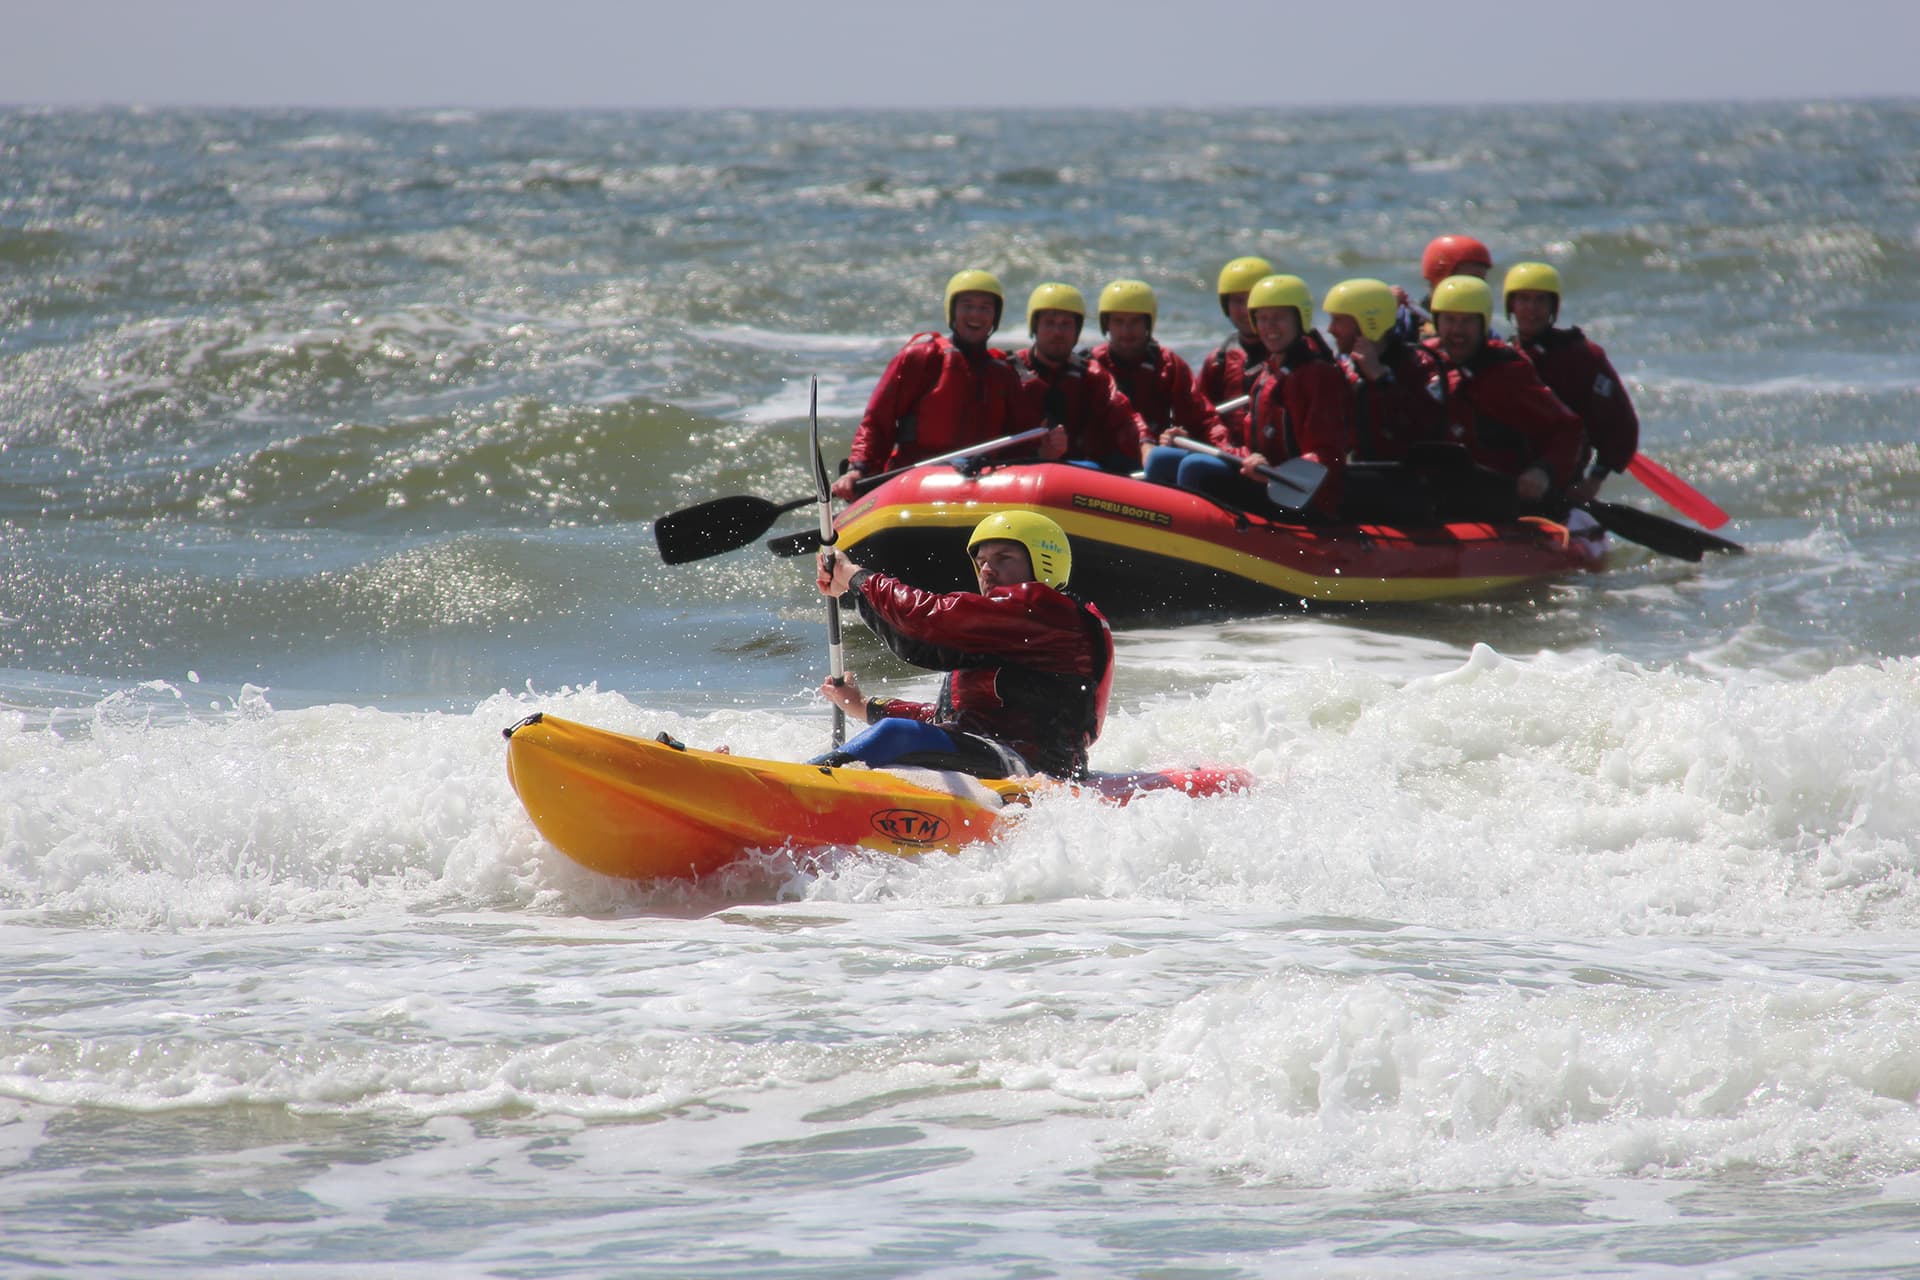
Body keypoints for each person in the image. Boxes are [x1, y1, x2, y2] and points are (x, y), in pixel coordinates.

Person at [812, 510, 1114, 780]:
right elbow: (952, 721)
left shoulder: (1049, 611)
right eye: (981, 561)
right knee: (898, 737)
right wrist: (863, 706)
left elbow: (922, 618)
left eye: (1003, 558)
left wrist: (850, 574)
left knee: (895, 735)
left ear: (1044, 561)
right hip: (999, 759)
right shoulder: (1006, 630)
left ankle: (808, 781)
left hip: (1037, 769)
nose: (986, 570)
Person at [1150, 275, 1352, 518]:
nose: (1269, 327)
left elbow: (1326, 455)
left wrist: (1272, 471)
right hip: (1263, 474)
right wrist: (1193, 439)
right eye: (1262, 319)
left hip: (1297, 495)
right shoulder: (1270, 370)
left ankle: (1190, 545)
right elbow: (1249, 447)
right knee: (1162, 458)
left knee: (1195, 468)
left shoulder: (1318, 375)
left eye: (1278, 318)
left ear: (1299, 319)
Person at [835, 268, 1027, 500]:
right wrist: (858, 469)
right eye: (967, 305)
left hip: (980, 484)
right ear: (952, 311)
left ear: (995, 317)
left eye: (985, 307)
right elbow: (877, 421)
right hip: (914, 480)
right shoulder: (922, 357)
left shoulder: (1004, 373)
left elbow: (1019, 441)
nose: (975, 314)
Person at [1422, 274, 1584, 519]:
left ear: (1483, 324)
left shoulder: (1508, 371)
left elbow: (1569, 429)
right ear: (1436, 322)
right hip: (1441, 493)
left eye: (1467, 322)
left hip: (1500, 496)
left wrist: (1543, 471)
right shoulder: (1423, 362)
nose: (1457, 330)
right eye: (1449, 320)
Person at [1502, 261, 1640, 504]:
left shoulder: (1583, 358)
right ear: (1510, 306)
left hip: (1562, 485)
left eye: (1540, 300)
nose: (1531, 309)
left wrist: (1594, 480)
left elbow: (1620, 423)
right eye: (1523, 299)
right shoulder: (1501, 355)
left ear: (1553, 307)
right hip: (1508, 481)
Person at [1323, 276, 1447, 523]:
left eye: (1339, 320)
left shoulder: (1421, 365)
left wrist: (1380, 378)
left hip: (1406, 488)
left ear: (1367, 324)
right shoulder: (1341, 368)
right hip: (1356, 479)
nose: (1330, 329)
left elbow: (1426, 428)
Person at [1006, 282, 1147, 473]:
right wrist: (1041, 454)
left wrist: (1145, 443)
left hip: (1076, 476)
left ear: (1077, 331)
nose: (1058, 332)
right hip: (1015, 471)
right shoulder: (1007, 372)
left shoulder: (1092, 376)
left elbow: (1126, 420)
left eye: (1066, 324)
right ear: (1035, 327)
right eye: (1050, 323)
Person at [1085, 278, 1220, 465]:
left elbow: (1203, 419)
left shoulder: (1168, 365)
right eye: (1118, 321)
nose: (1126, 331)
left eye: (1134, 322)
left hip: (1152, 461)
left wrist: (1183, 435)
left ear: (1148, 324)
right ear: (1106, 324)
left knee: (1166, 459)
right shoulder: (1089, 365)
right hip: (1099, 463)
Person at [1197, 255, 1273, 439]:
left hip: (1279, 459)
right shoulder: (1219, 360)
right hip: (1234, 456)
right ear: (1226, 306)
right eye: (1238, 301)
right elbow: (1199, 416)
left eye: (1252, 299)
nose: (1246, 309)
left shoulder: (1298, 356)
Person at [1394, 234, 1494, 342]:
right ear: (1439, 278)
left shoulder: (1482, 331)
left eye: (1481, 282)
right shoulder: (1406, 320)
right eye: (1469, 280)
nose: (1476, 289)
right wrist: (1386, 307)